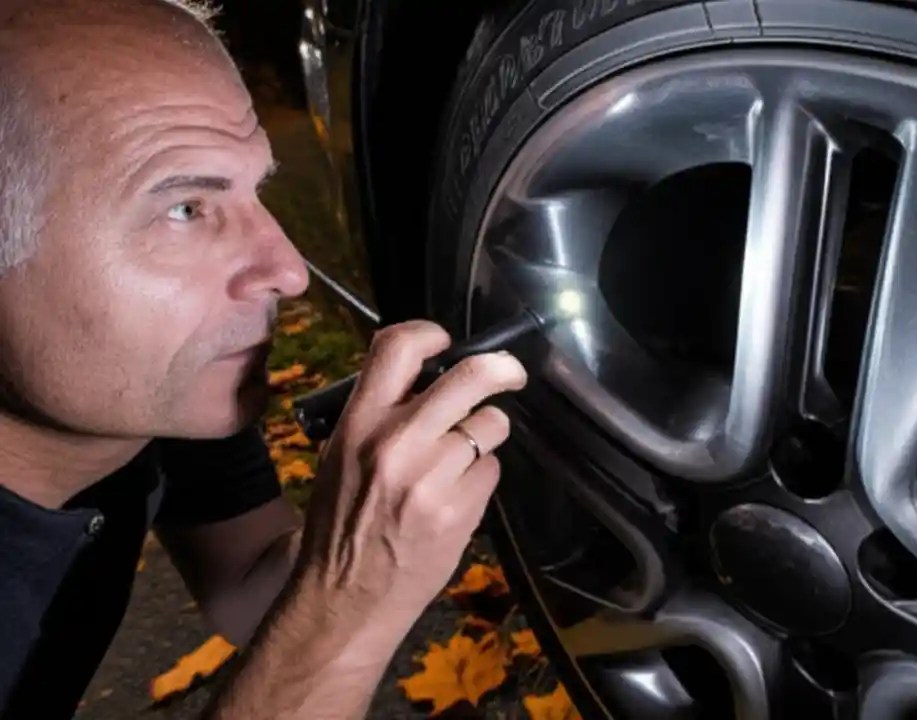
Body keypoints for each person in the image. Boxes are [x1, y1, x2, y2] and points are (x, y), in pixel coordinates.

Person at [0, 0, 528, 717]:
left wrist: (381, 522)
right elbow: (326, 602)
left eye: (257, 190)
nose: (288, 271)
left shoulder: (154, 396)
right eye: (186, 208)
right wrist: (351, 602)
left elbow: (249, 589)